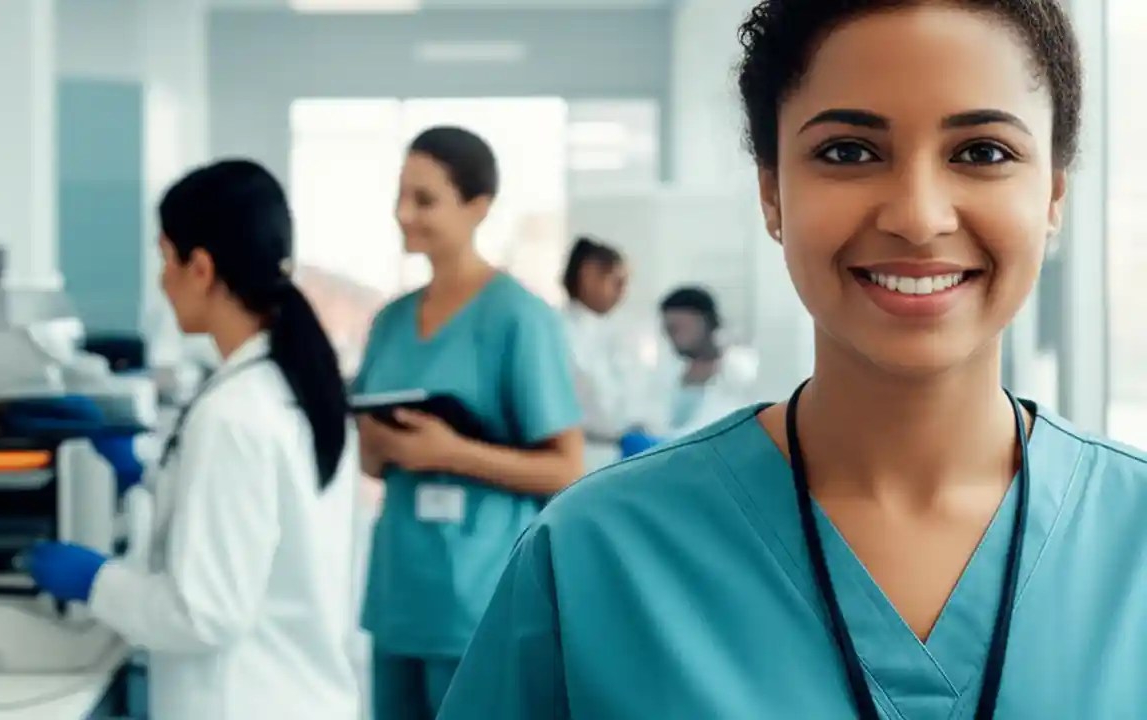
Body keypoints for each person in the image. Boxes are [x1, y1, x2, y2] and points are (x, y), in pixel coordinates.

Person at [436, 2, 1146, 717]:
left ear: (1054, 195)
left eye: (983, 153)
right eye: (848, 152)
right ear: (772, 193)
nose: (918, 216)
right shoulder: (595, 556)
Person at [28, 159, 363, 720]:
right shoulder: (294, 387)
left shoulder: (233, 415)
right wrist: (147, 474)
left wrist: (94, 581)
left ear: (201, 267)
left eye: (166, 259)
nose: (163, 281)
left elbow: (203, 614)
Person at [353, 126, 584, 719]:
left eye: (425, 199)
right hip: (400, 594)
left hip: (481, 599)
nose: (404, 214)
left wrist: (449, 452)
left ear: (478, 206)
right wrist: (378, 444)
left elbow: (566, 469)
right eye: (400, 196)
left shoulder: (519, 318)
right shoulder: (389, 322)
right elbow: (373, 460)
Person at [558, 236, 640, 471]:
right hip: (586, 452)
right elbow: (600, 407)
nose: (623, 292)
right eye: (617, 281)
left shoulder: (609, 330)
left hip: (612, 451)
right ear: (589, 275)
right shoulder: (562, 331)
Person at [646, 286, 758, 437]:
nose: (675, 337)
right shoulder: (666, 376)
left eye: (682, 327)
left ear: (708, 322)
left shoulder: (741, 370)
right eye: (670, 329)